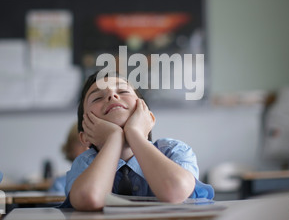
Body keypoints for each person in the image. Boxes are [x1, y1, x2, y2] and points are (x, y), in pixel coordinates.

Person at [61, 71, 214, 210]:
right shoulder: (86, 164)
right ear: (85, 136)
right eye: (97, 97)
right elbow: (90, 198)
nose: (112, 96)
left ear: (148, 117)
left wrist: (135, 134)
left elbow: (174, 191)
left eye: (122, 91)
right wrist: (113, 139)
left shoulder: (174, 151)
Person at [49, 123, 88, 193]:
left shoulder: (108, 182)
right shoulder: (59, 185)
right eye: (80, 144)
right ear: (70, 148)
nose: (86, 149)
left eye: (92, 144)